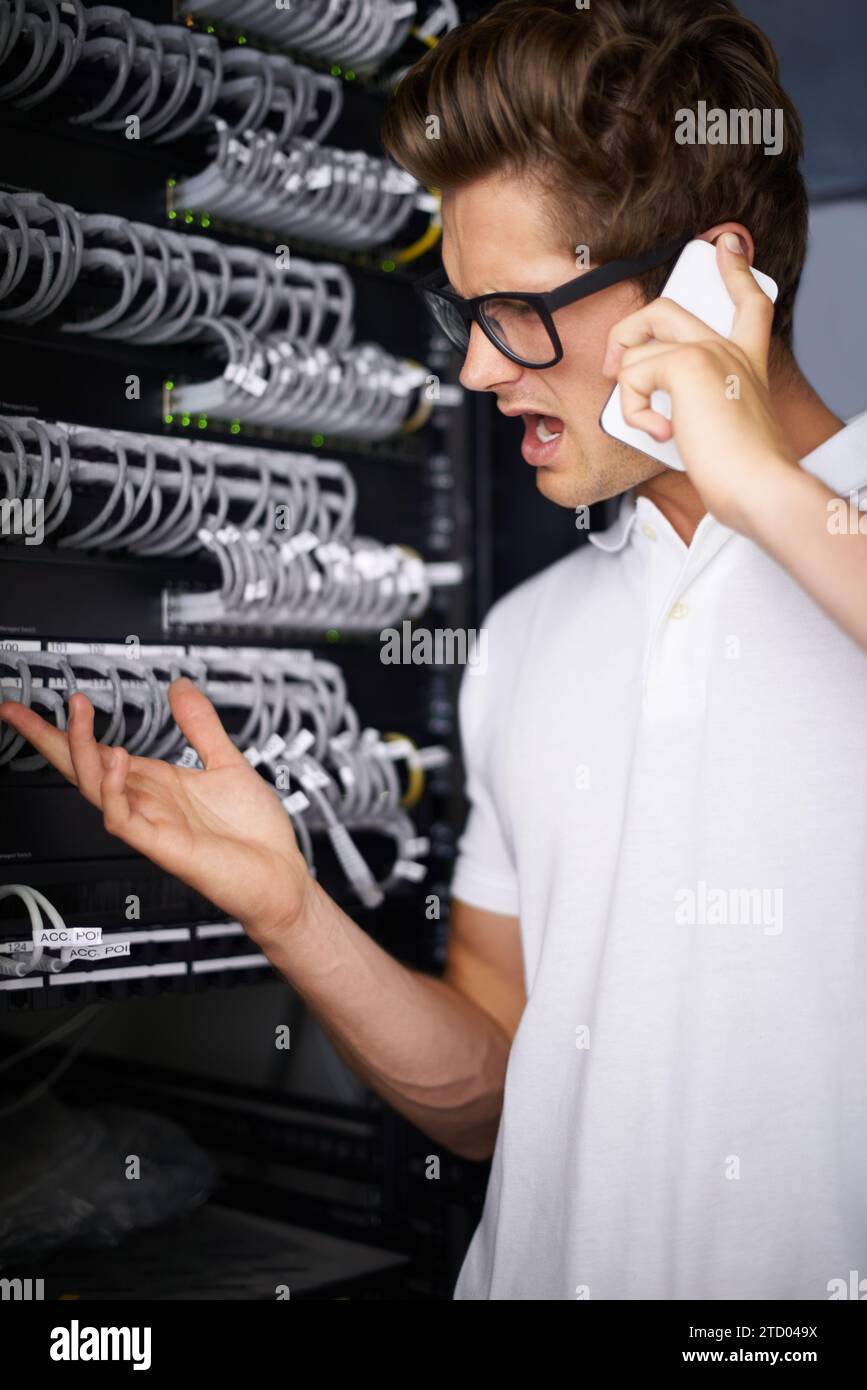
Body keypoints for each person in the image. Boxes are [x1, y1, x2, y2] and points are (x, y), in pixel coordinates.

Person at [1, 0, 865, 1300]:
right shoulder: (530, 640)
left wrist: (751, 479)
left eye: (516, 312)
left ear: (707, 281)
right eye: (466, 313)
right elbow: (492, 1091)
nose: (474, 368)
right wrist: (291, 905)